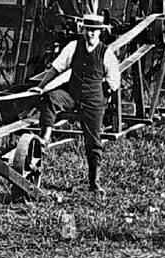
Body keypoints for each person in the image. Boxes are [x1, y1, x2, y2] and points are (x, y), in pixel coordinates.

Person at [30, 12, 121, 195]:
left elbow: (113, 81)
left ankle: (94, 184)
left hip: (93, 100)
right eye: (88, 30)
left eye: (94, 31)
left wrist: (103, 99)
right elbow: (56, 68)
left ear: (100, 32)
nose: (90, 34)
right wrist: (41, 87)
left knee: (93, 143)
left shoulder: (106, 53)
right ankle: (44, 139)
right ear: (83, 30)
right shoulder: (73, 47)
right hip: (72, 95)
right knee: (50, 98)